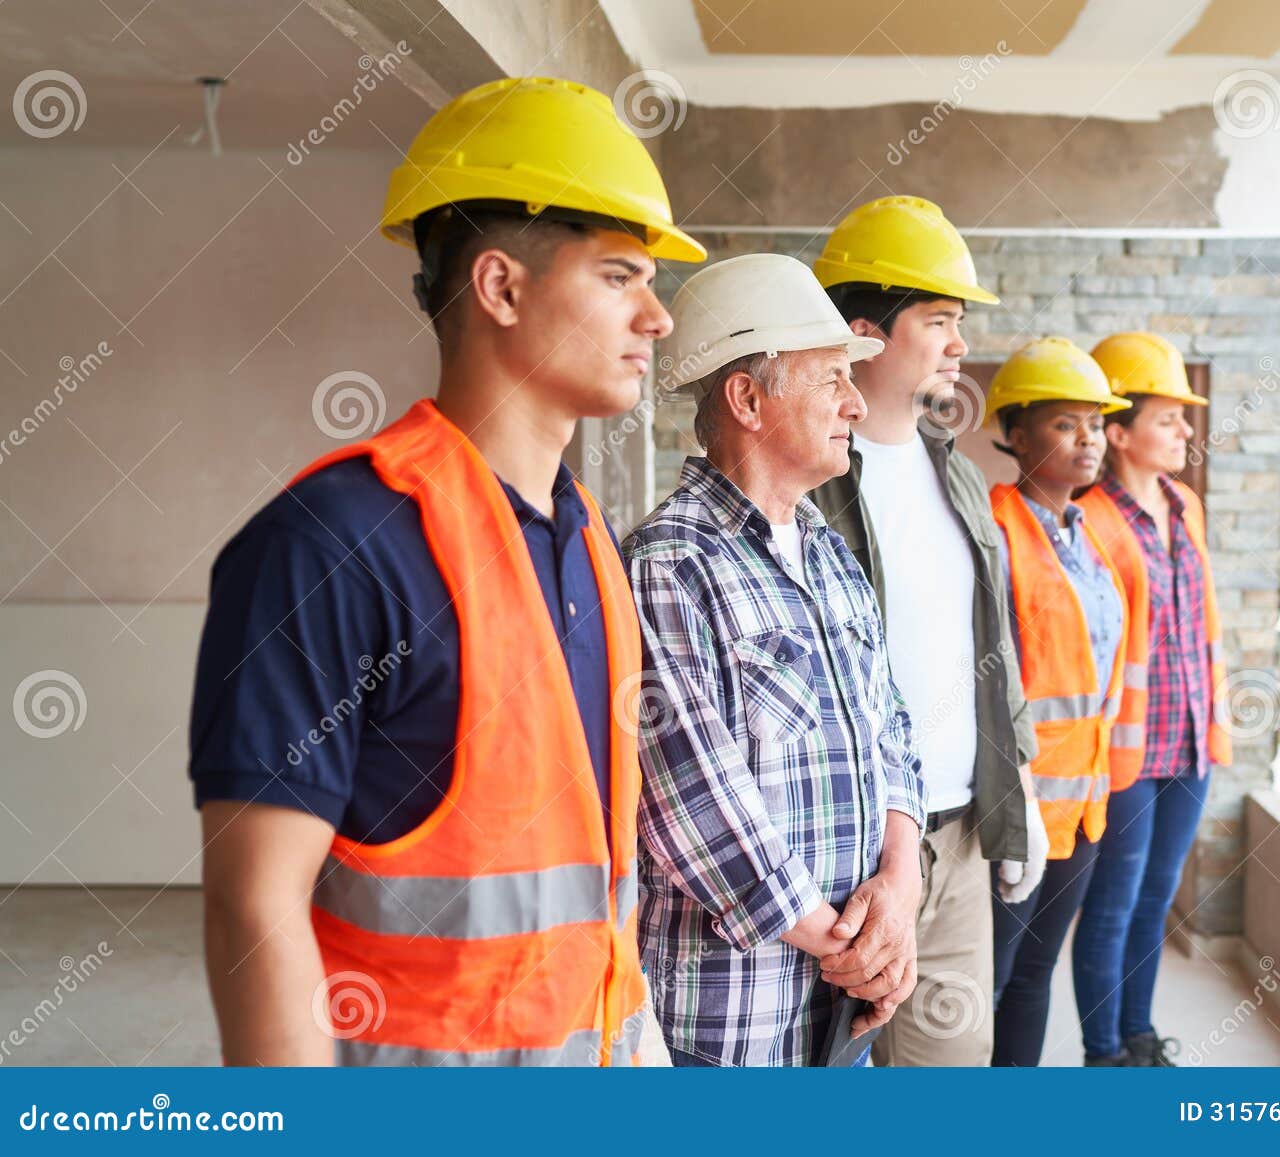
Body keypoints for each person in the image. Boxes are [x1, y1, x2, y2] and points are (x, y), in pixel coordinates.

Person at [188, 77, 704, 1066]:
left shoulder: (586, 539)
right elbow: (253, 902)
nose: (657, 318)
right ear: (502, 288)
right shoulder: (330, 539)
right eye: (619, 277)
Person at [625, 253, 924, 1067]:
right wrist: (855, 949)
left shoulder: (830, 554)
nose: (856, 404)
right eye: (832, 378)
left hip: (847, 1003)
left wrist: (901, 889)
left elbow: (891, 731)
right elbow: (690, 798)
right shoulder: (668, 561)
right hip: (734, 1026)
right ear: (748, 398)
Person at [808, 194, 1047, 1067]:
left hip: (960, 834)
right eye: (940, 320)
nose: (959, 343)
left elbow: (988, 649)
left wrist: (1016, 789)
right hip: (845, 855)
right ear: (867, 334)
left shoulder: (962, 480)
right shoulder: (807, 483)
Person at [1072, 331, 1234, 1066]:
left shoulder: (1185, 505)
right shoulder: (1093, 517)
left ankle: (1139, 1033)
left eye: (1182, 418)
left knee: (1158, 897)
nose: (1184, 430)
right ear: (1118, 431)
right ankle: (1103, 1050)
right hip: (1130, 747)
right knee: (1111, 904)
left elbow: (1201, 625)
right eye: (1168, 418)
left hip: (1193, 738)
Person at [983, 337, 1130, 1067]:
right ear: (1014, 432)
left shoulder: (1090, 534)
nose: (1088, 440)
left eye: (1096, 425)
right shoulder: (995, 528)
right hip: (1017, 807)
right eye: (1065, 423)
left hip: (1083, 805)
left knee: (1034, 977)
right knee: (987, 980)